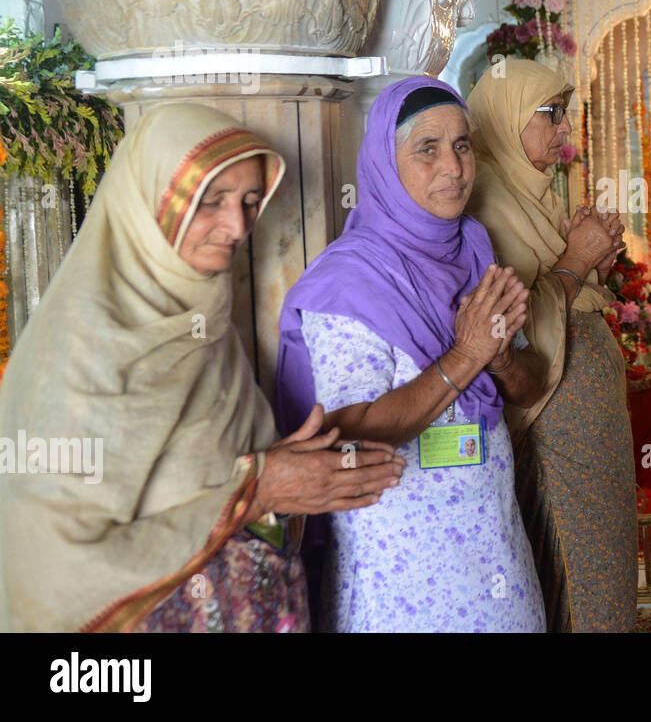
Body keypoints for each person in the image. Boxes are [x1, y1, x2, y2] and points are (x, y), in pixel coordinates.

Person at [0, 104, 403, 633]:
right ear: (149, 200)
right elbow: (48, 568)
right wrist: (256, 491)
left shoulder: (201, 319)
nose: (237, 225)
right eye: (211, 201)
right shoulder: (82, 350)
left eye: (251, 201)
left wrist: (279, 471)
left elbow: (214, 468)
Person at [276, 78, 547, 632]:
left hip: (497, 568)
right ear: (384, 162)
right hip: (402, 585)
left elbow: (532, 383)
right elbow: (351, 430)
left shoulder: (472, 246)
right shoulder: (349, 281)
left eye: (462, 145)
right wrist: (467, 356)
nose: (454, 166)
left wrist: (498, 361)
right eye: (428, 148)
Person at [465, 57, 636, 632]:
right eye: (552, 114)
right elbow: (512, 319)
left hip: (587, 430)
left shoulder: (534, 191)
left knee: (601, 567)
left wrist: (593, 267)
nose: (565, 131)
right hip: (550, 426)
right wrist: (576, 261)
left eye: (566, 115)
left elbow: (565, 292)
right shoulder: (486, 199)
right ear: (508, 116)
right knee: (570, 570)